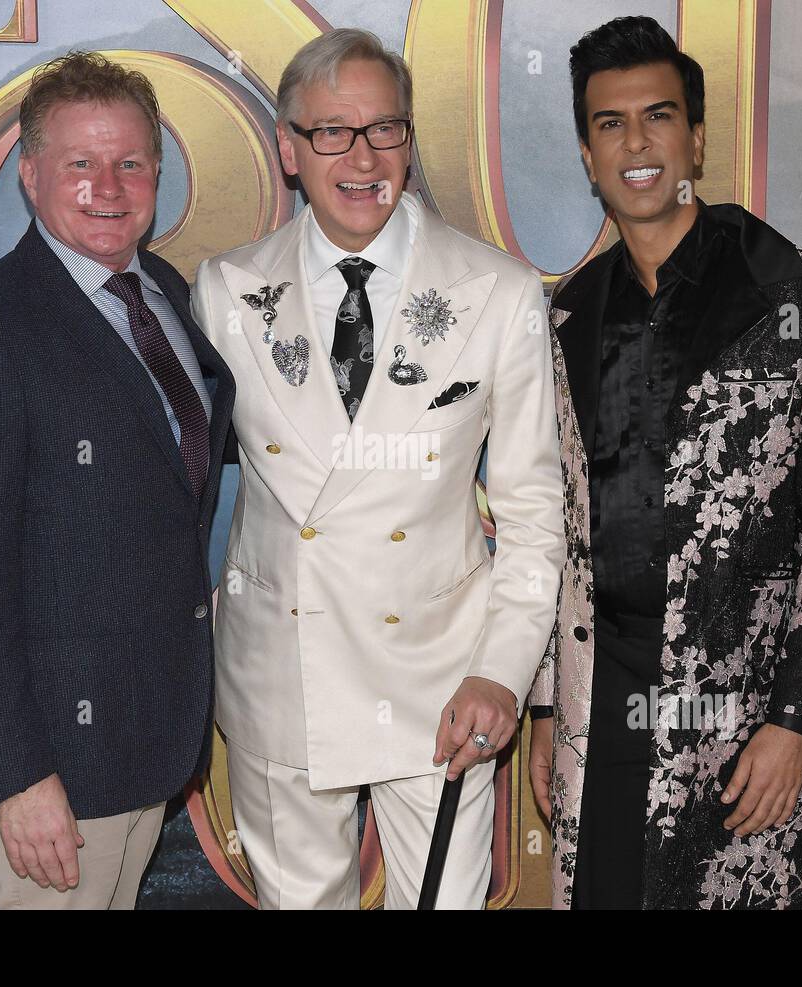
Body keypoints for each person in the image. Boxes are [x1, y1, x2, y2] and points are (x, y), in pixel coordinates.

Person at [191, 28, 565, 909]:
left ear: (408, 140)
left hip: (441, 681)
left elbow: (535, 512)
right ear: (288, 149)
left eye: (384, 130)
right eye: (331, 132)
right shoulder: (226, 289)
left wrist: (504, 671)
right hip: (283, 672)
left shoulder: (499, 292)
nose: (362, 157)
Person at [528, 15, 802, 909]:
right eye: (610, 123)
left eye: (658, 116)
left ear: (697, 137)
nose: (636, 142)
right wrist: (545, 708)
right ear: (586, 152)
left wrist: (796, 721)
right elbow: (557, 528)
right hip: (601, 704)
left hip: (742, 712)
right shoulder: (567, 316)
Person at [0, 51, 235, 909]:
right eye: (79, 163)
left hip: (147, 742)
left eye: (130, 161)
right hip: (51, 778)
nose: (108, 185)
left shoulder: (158, 290)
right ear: (29, 173)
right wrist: (18, 779)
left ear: (158, 172)